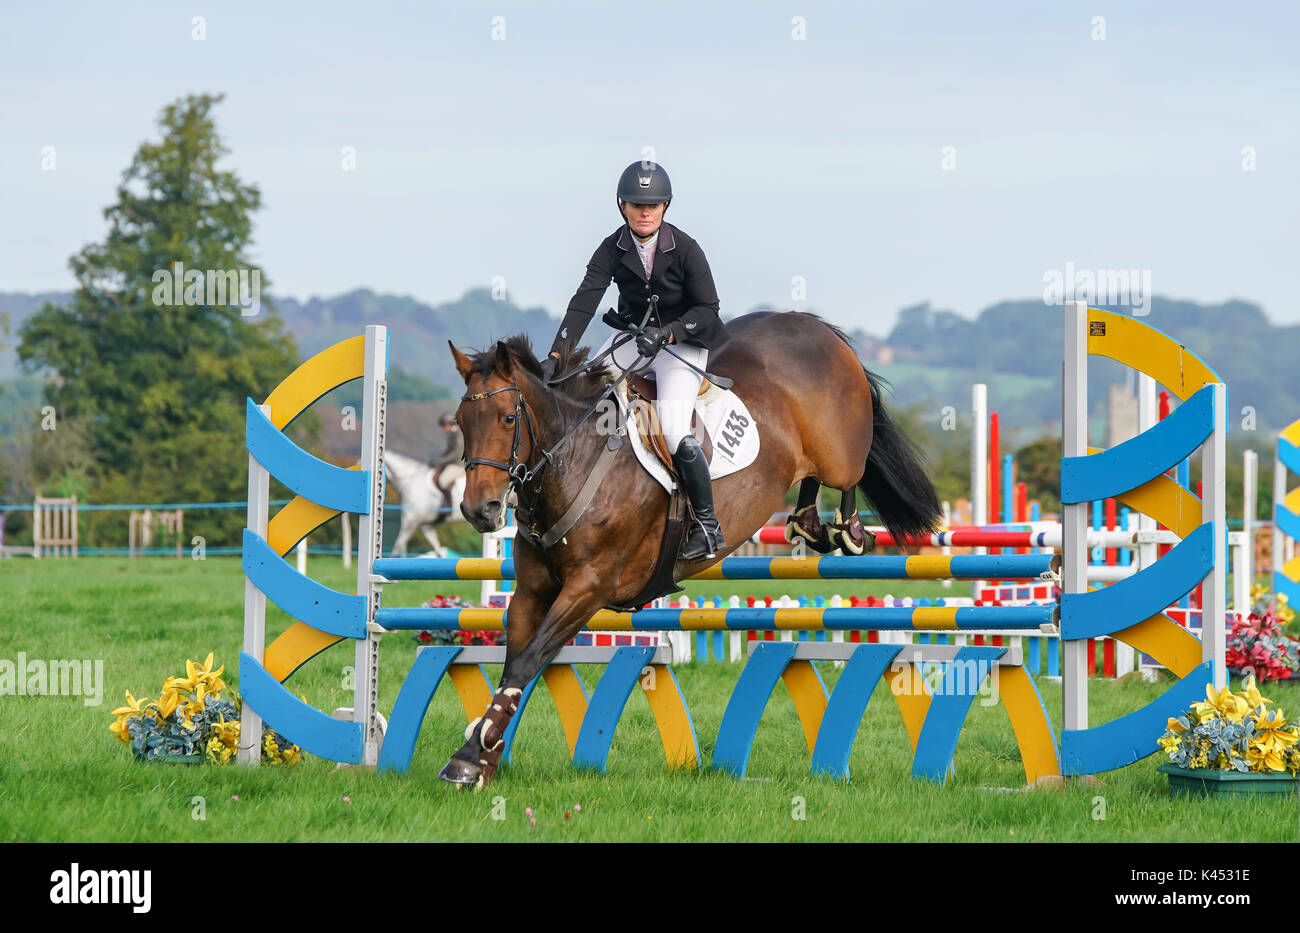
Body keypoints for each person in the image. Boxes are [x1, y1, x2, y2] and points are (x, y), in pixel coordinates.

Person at [540, 160, 729, 559]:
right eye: (637, 205)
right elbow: (584, 301)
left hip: (682, 345)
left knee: (675, 428)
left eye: (654, 205)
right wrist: (557, 355)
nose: (646, 212)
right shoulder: (613, 247)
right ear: (622, 206)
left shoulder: (686, 248)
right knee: (587, 390)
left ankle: (708, 526)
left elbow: (709, 309)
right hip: (636, 339)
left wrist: (670, 332)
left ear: (665, 207)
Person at [430, 412, 463, 489]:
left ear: (448, 424)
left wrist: (440, 461)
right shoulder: (452, 434)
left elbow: (456, 454)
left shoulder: (459, 434)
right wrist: (437, 460)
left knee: (442, 481)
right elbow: (448, 451)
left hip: (459, 465)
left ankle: (450, 501)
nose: (443, 430)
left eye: (443, 427)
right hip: (453, 463)